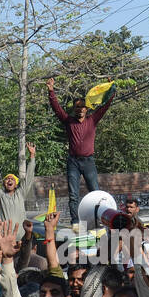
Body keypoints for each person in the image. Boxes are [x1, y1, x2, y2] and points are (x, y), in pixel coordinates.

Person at [48, 77, 115, 222]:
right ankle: (75, 221)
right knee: (73, 194)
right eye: (77, 107)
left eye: (82, 106)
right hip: (73, 162)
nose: (80, 109)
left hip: (88, 161)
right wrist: (51, 91)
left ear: (86, 108)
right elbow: (56, 108)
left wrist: (111, 88)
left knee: (95, 192)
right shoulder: (68, 121)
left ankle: (99, 219)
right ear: (74, 109)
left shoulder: (92, 119)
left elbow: (105, 106)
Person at [0, 142, 38, 227]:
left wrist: (32, 156)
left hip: (22, 239)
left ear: (16, 184)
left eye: (12, 179)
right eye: (7, 179)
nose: (9, 180)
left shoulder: (20, 194)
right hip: (4, 239)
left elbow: (29, 177)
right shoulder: (0, 196)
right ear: (4, 183)